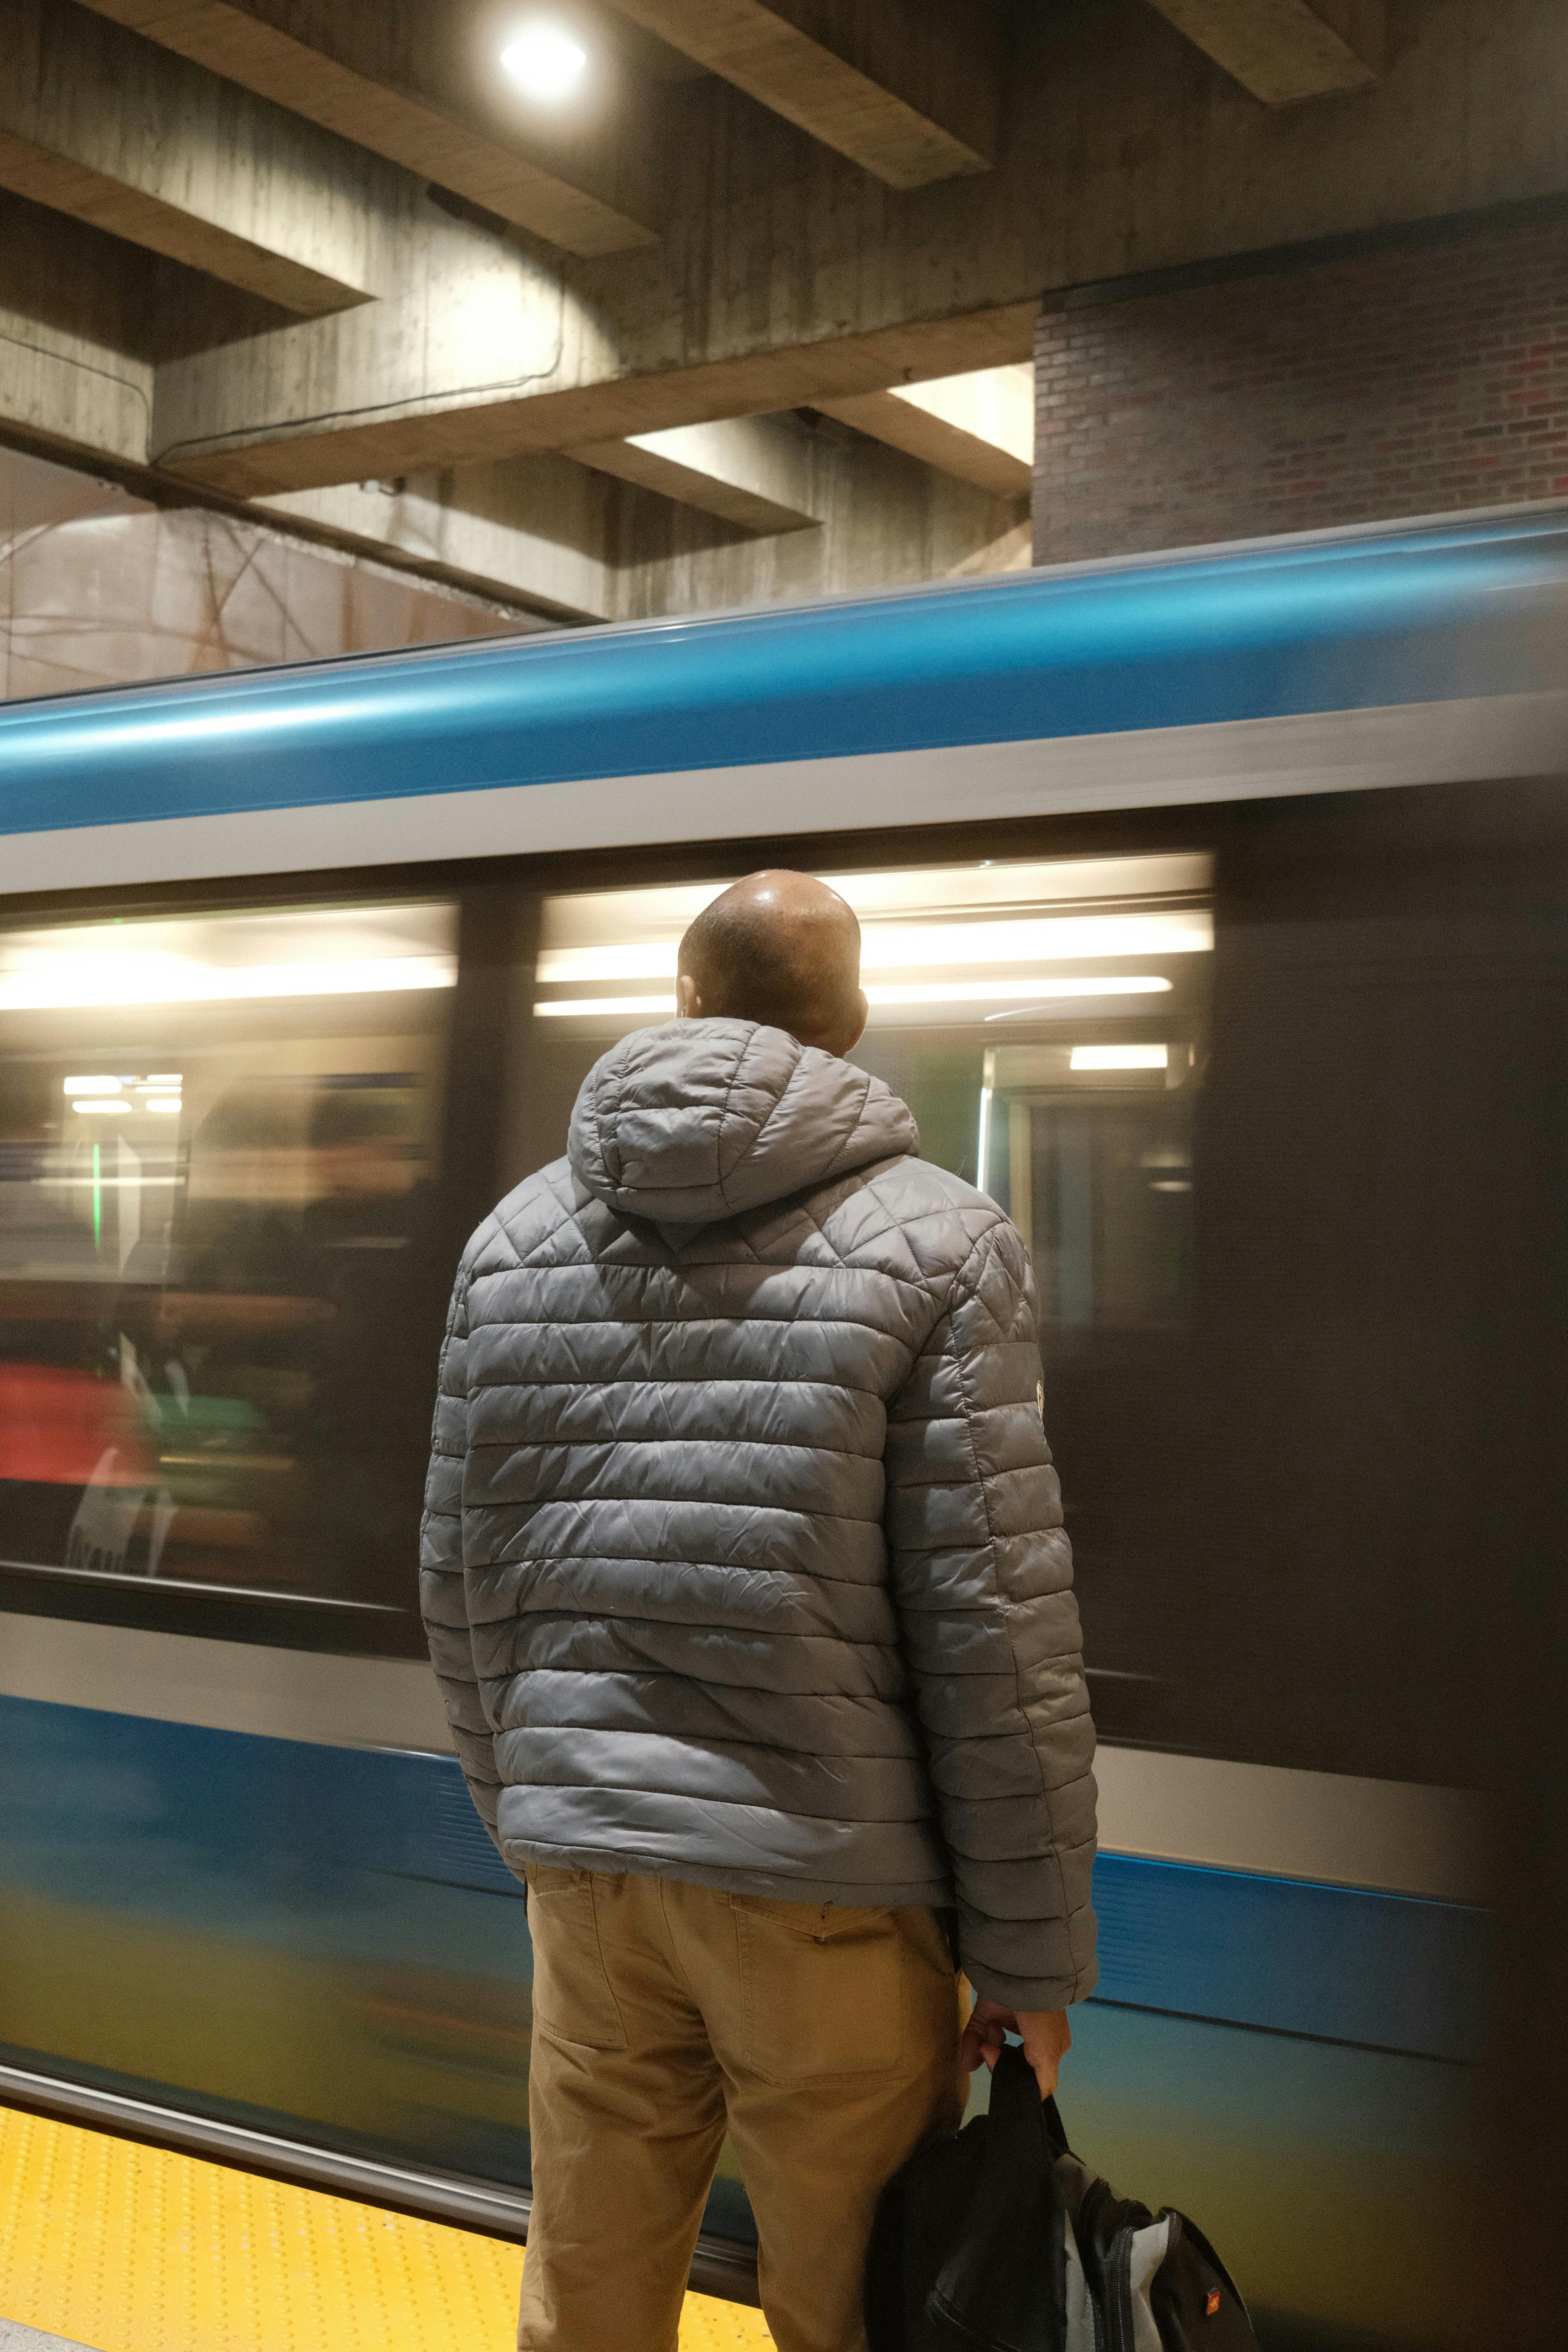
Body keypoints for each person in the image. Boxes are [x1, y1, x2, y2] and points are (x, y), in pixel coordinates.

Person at [421, 871, 1098, 2352]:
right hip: (830, 1894)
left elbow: (457, 1581)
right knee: (848, 2310)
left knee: (586, 2296)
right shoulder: (945, 1242)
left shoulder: (511, 1242)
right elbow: (993, 1632)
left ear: (683, 997)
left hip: (592, 1880)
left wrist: (537, 1816)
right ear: (849, 1020)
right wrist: (1030, 1963)